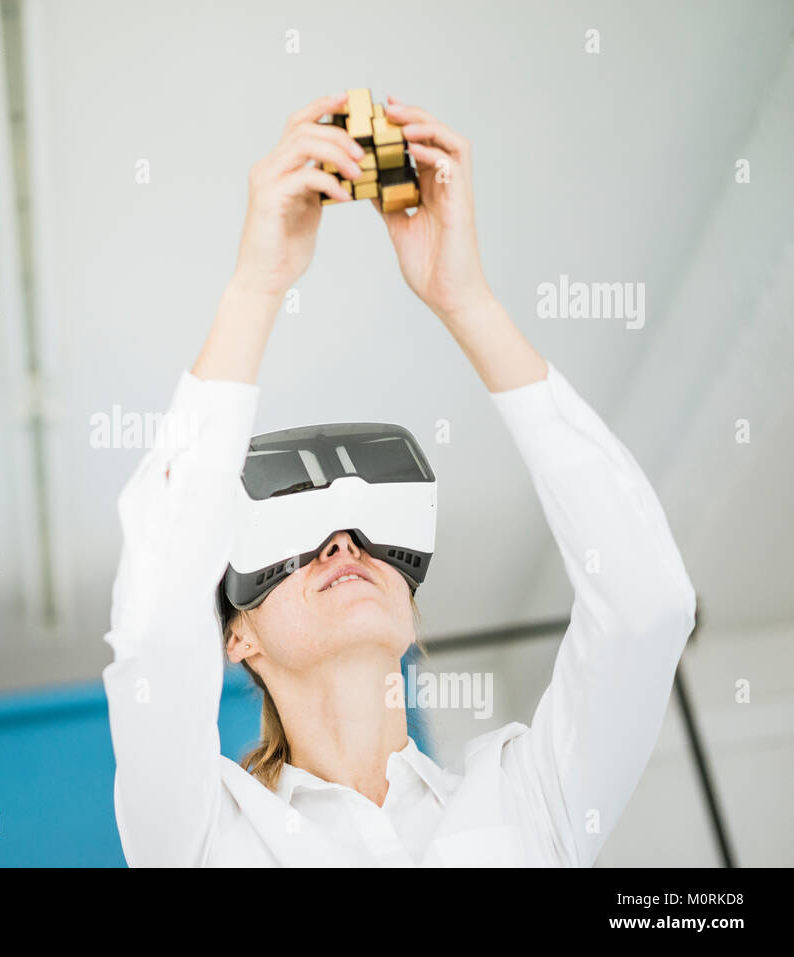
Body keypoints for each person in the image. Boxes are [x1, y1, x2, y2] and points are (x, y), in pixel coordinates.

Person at [100, 92, 697, 866]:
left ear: (412, 618)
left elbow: (647, 605)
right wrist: (257, 285)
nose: (343, 537)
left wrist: (467, 301)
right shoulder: (203, 837)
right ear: (235, 635)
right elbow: (153, 633)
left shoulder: (527, 801)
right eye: (297, 529)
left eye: (370, 534)